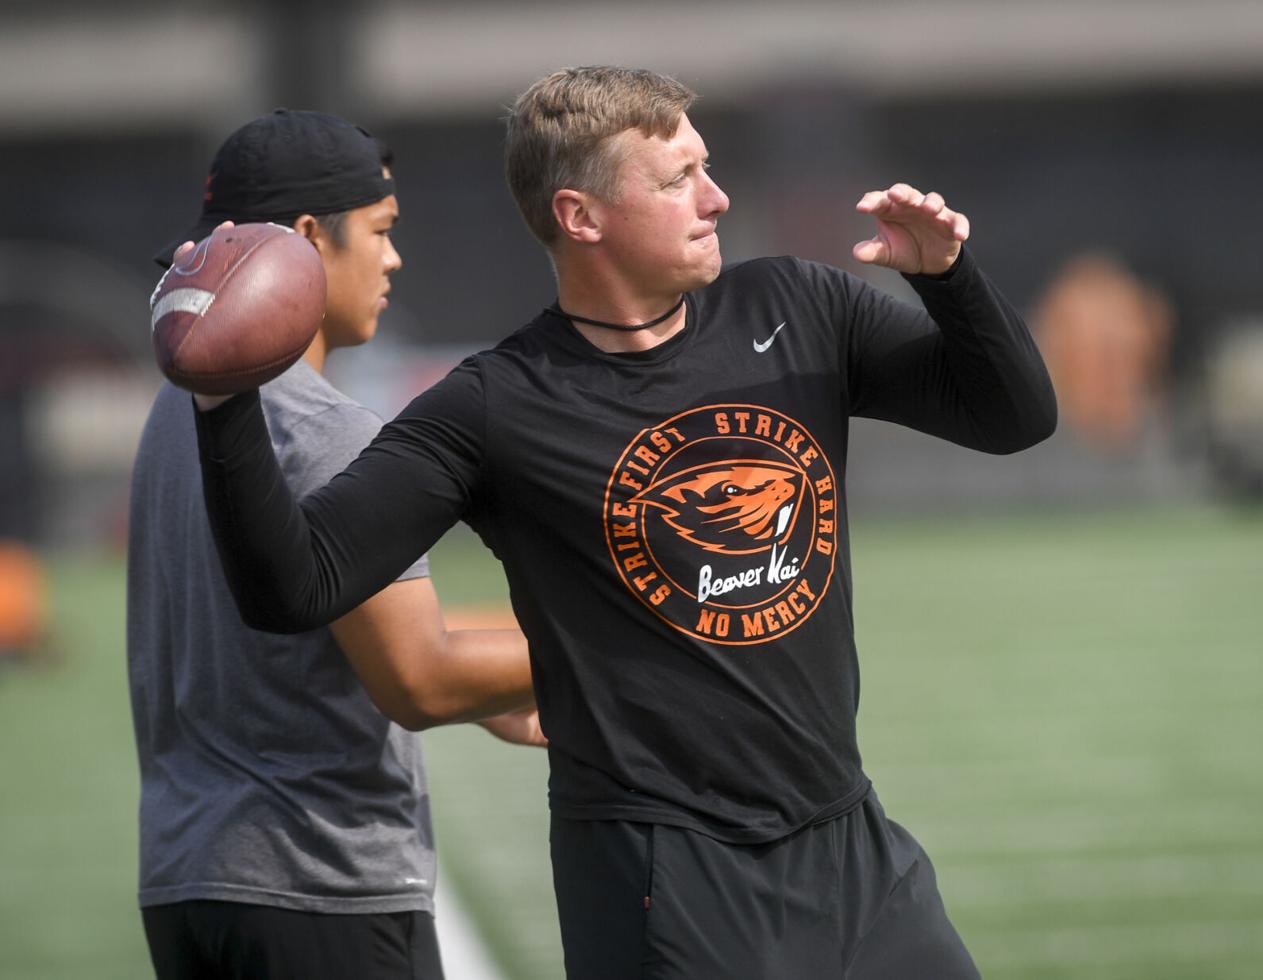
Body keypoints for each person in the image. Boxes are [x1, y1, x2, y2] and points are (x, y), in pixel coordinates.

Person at [186, 70, 1058, 978]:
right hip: (662, 873)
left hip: (850, 841)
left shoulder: (798, 306)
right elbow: (295, 586)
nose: (716, 198)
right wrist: (225, 401)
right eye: (678, 179)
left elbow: (1011, 419)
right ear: (581, 216)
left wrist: (949, 280)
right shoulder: (494, 405)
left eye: (705, 167)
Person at [128, 109, 540, 980]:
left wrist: (494, 674)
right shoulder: (323, 427)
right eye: (382, 233)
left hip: (188, 887)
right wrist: (630, 639)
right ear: (310, 239)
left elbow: (314, 634)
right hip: (320, 889)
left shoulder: (180, 412)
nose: (393, 260)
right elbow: (419, 679)